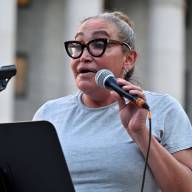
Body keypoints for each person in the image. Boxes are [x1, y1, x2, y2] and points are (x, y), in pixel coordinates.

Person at [33, 11, 192, 192]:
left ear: (129, 59)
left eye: (99, 44)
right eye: (78, 46)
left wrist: (140, 133)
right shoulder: (48, 113)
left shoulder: (162, 108)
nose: (83, 56)